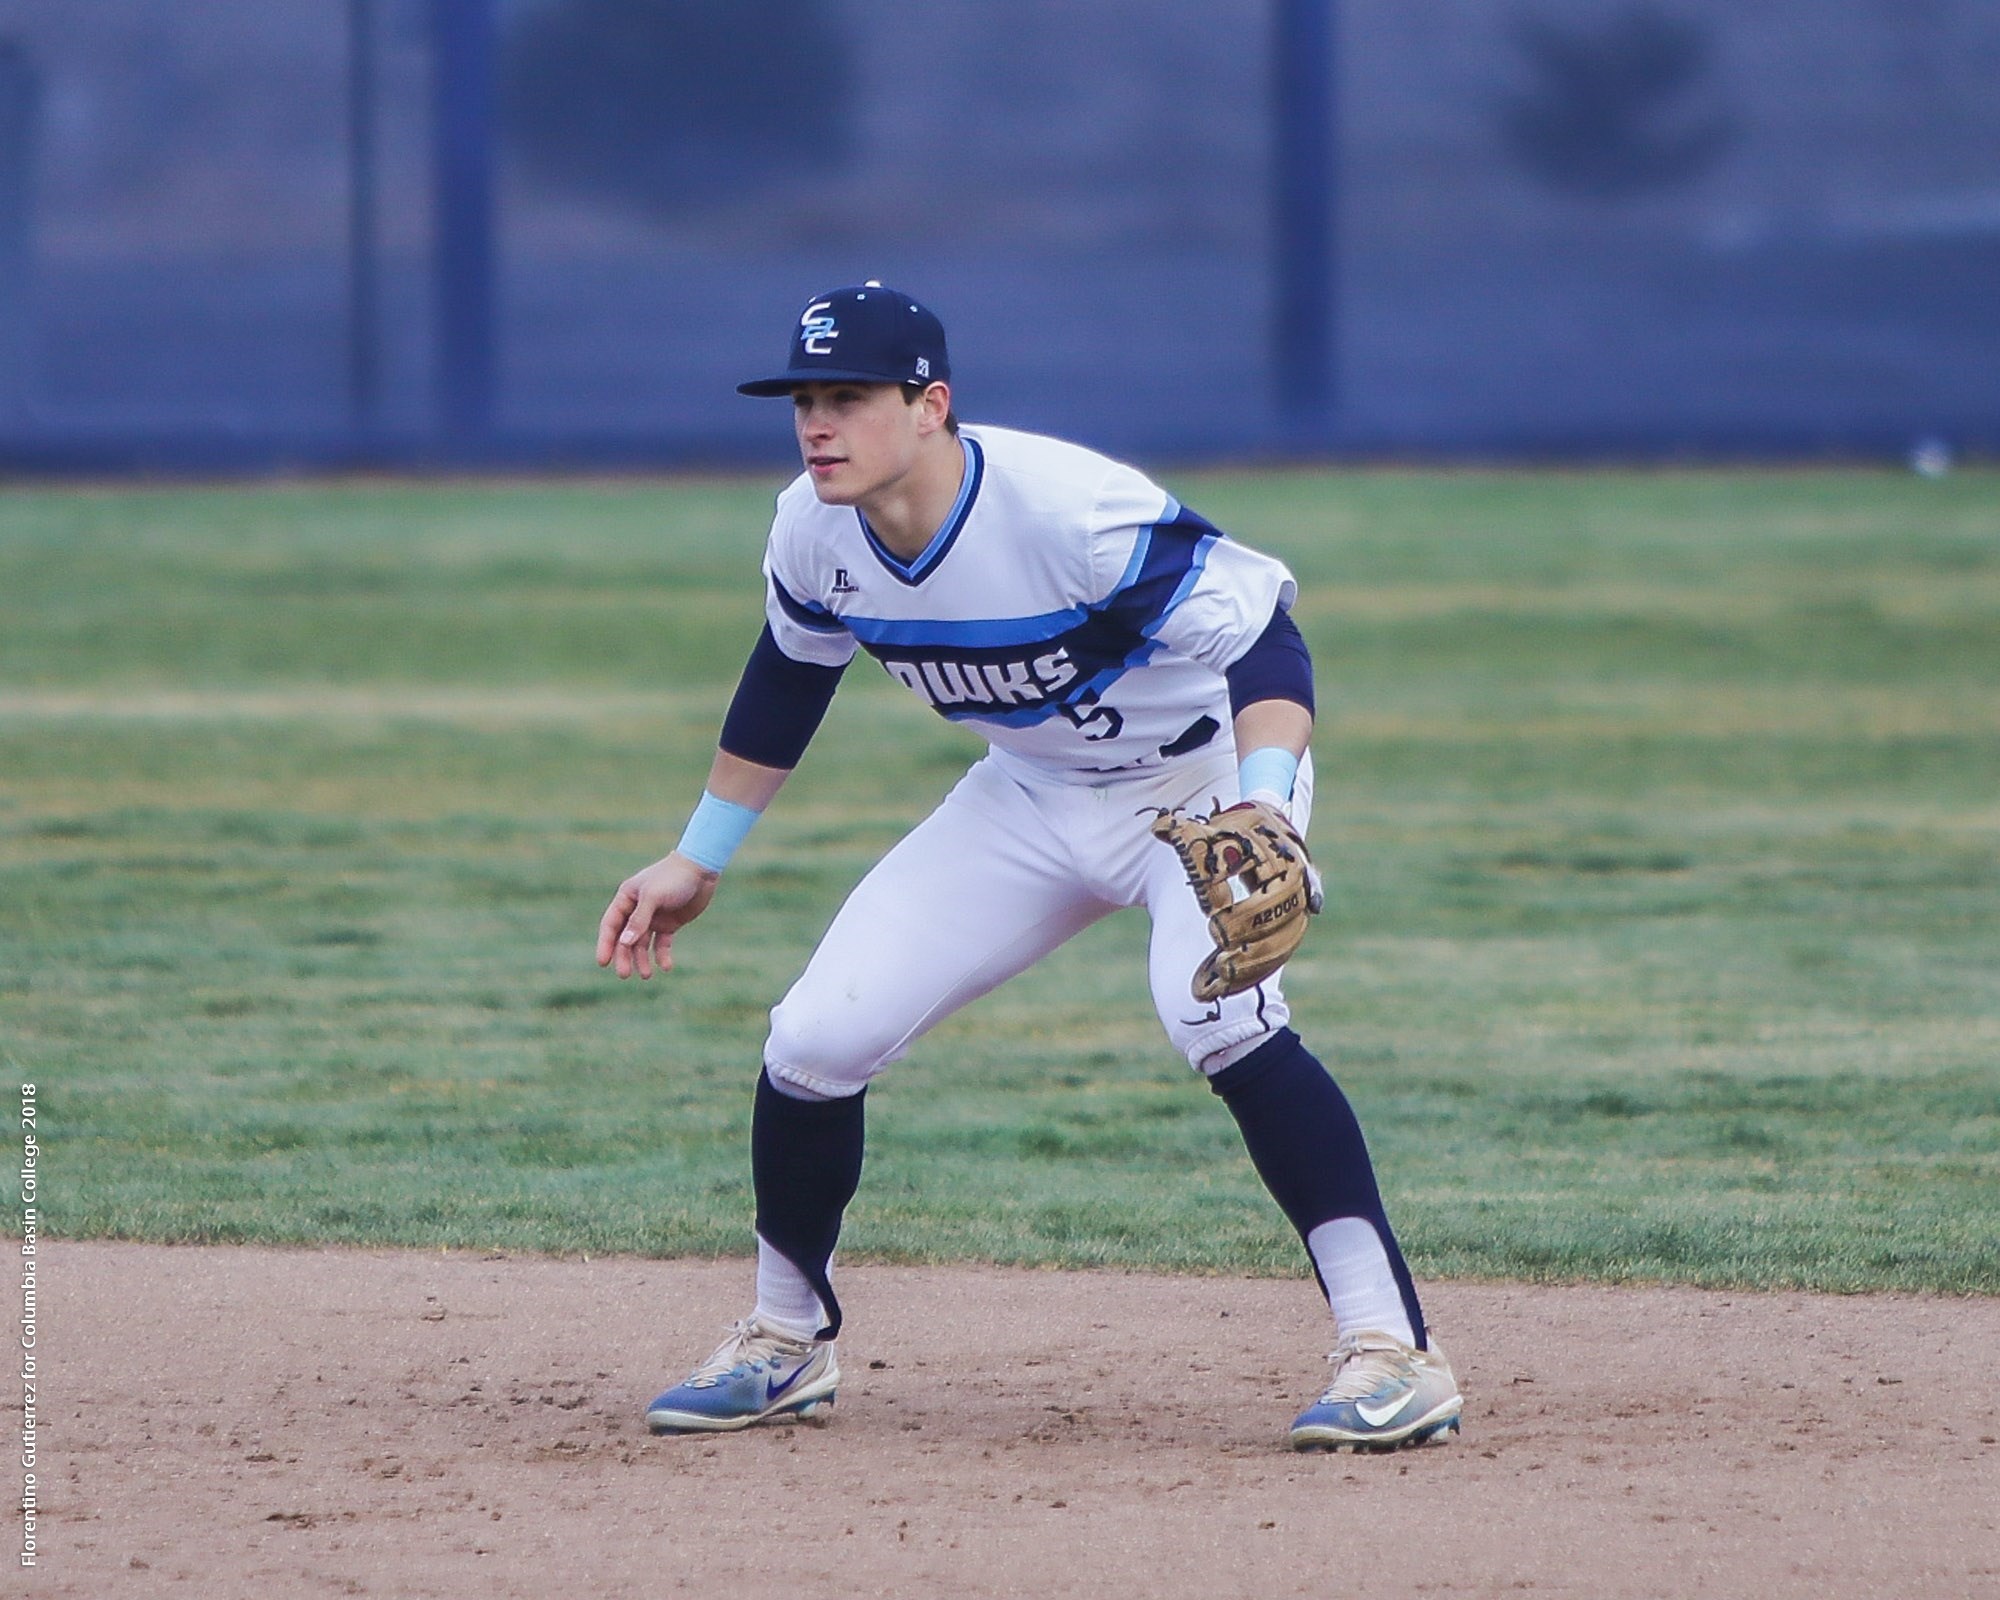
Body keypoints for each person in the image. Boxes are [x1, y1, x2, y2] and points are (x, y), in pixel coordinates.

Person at [596, 283, 1463, 1453]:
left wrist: (1265, 810)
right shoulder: (813, 526)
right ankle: (784, 1338)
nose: (816, 424)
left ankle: (1390, 1353)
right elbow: (790, 673)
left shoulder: (1067, 510)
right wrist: (699, 855)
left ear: (930, 405)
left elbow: (1264, 637)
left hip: (1197, 785)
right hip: (1029, 792)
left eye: (846, 397)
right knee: (812, 1039)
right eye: (802, 398)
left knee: (1216, 1017)